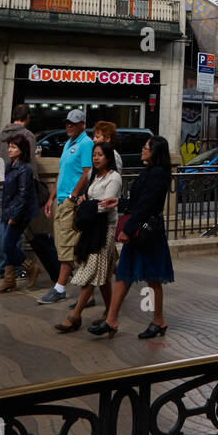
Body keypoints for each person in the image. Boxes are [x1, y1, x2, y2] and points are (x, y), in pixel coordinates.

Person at [91, 135, 175, 339]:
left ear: (155, 152)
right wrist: (117, 202)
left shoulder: (158, 174)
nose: (142, 150)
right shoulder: (149, 172)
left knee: (152, 278)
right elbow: (136, 201)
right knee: (124, 274)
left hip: (147, 234)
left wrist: (127, 230)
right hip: (139, 231)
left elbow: (145, 206)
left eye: (146, 147)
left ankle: (158, 320)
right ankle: (111, 320)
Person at [55, 141, 121, 333]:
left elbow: (105, 206)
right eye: (94, 155)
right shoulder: (93, 175)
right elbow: (92, 200)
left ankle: (75, 315)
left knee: (92, 272)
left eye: (100, 155)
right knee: (104, 274)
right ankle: (110, 313)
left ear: (108, 158)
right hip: (91, 227)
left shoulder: (114, 178)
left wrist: (87, 206)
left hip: (104, 229)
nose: (96, 158)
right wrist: (86, 200)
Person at [39, 111, 93, 305]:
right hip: (61, 200)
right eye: (68, 123)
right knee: (66, 245)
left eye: (74, 123)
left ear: (82, 125)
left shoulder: (86, 144)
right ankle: (89, 292)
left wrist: (73, 195)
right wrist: (51, 198)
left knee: (67, 246)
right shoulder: (69, 144)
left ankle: (60, 288)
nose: (69, 126)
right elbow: (62, 173)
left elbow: (87, 172)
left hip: (70, 202)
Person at [0, 104, 38, 281]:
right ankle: (16, 270)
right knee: (14, 232)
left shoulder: (1, 136)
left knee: (2, 230)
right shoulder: (27, 136)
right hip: (17, 187)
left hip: (2, 187)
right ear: (27, 117)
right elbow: (31, 164)